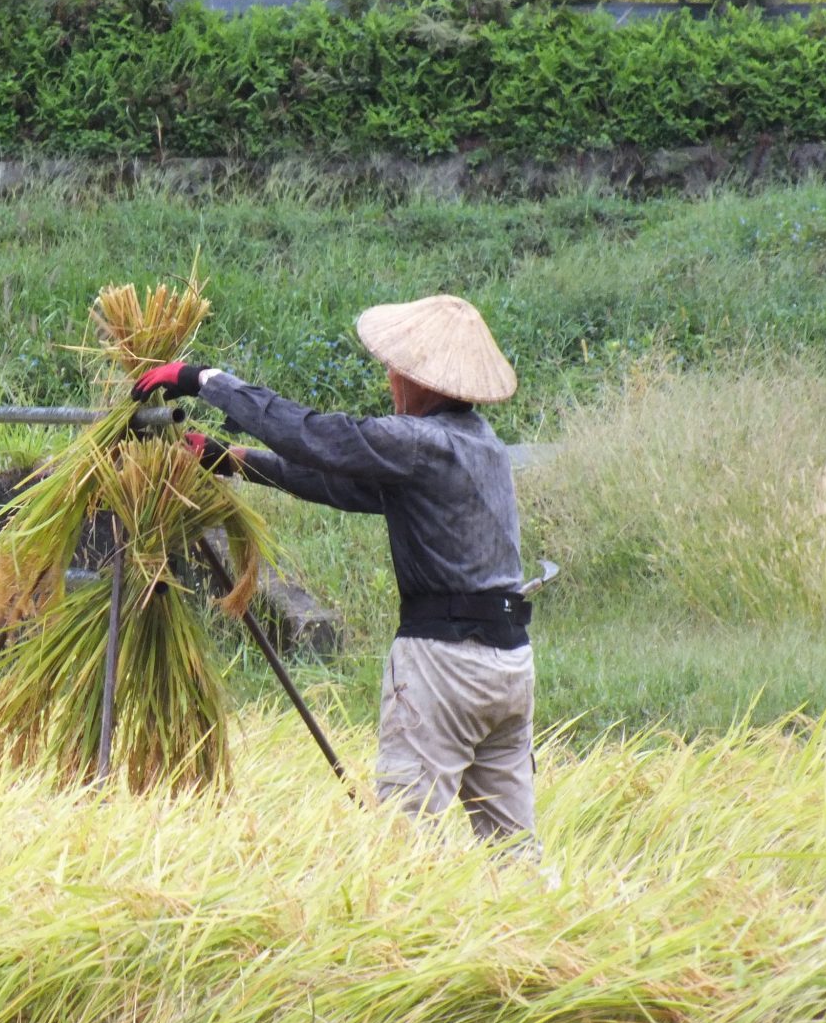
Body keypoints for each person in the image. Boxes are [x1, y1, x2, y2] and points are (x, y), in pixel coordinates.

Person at [131, 294, 537, 843]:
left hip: (447, 666)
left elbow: (316, 437)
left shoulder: (418, 442)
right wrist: (228, 458)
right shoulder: (481, 446)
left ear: (423, 379)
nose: (390, 378)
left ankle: (401, 932)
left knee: (406, 845)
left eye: (397, 369)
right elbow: (339, 485)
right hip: (509, 665)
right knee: (514, 848)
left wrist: (206, 380)